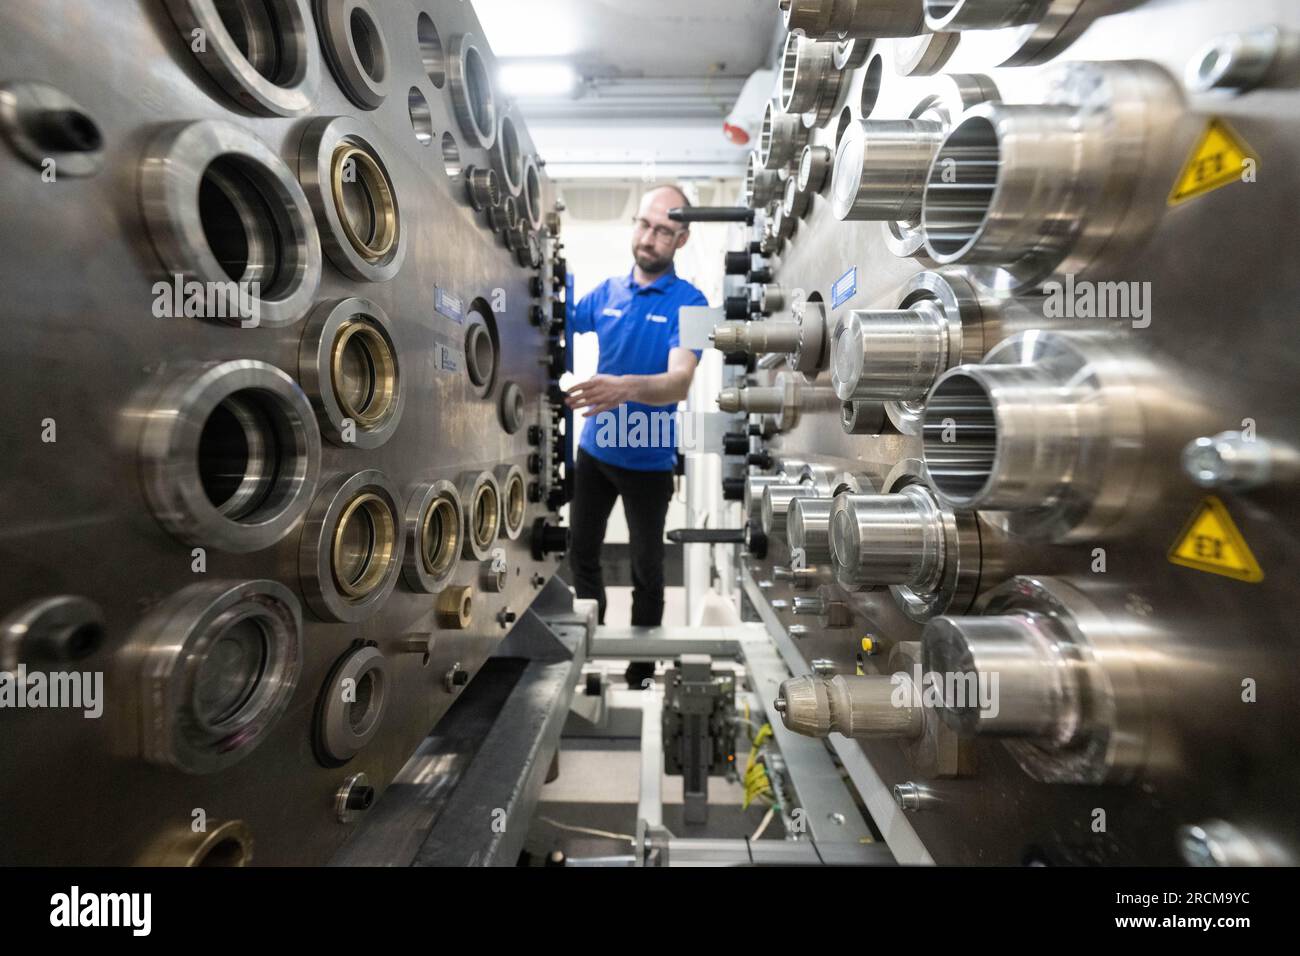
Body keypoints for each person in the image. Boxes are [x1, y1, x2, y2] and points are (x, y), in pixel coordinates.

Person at [564, 184, 707, 686]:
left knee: (648, 570)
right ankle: (589, 647)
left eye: (663, 231)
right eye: (644, 224)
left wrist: (623, 387)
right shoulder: (605, 292)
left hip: (649, 460)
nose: (649, 238)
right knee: (582, 554)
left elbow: (680, 381)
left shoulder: (696, 304)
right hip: (595, 453)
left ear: (681, 239)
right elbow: (549, 320)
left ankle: (640, 671)